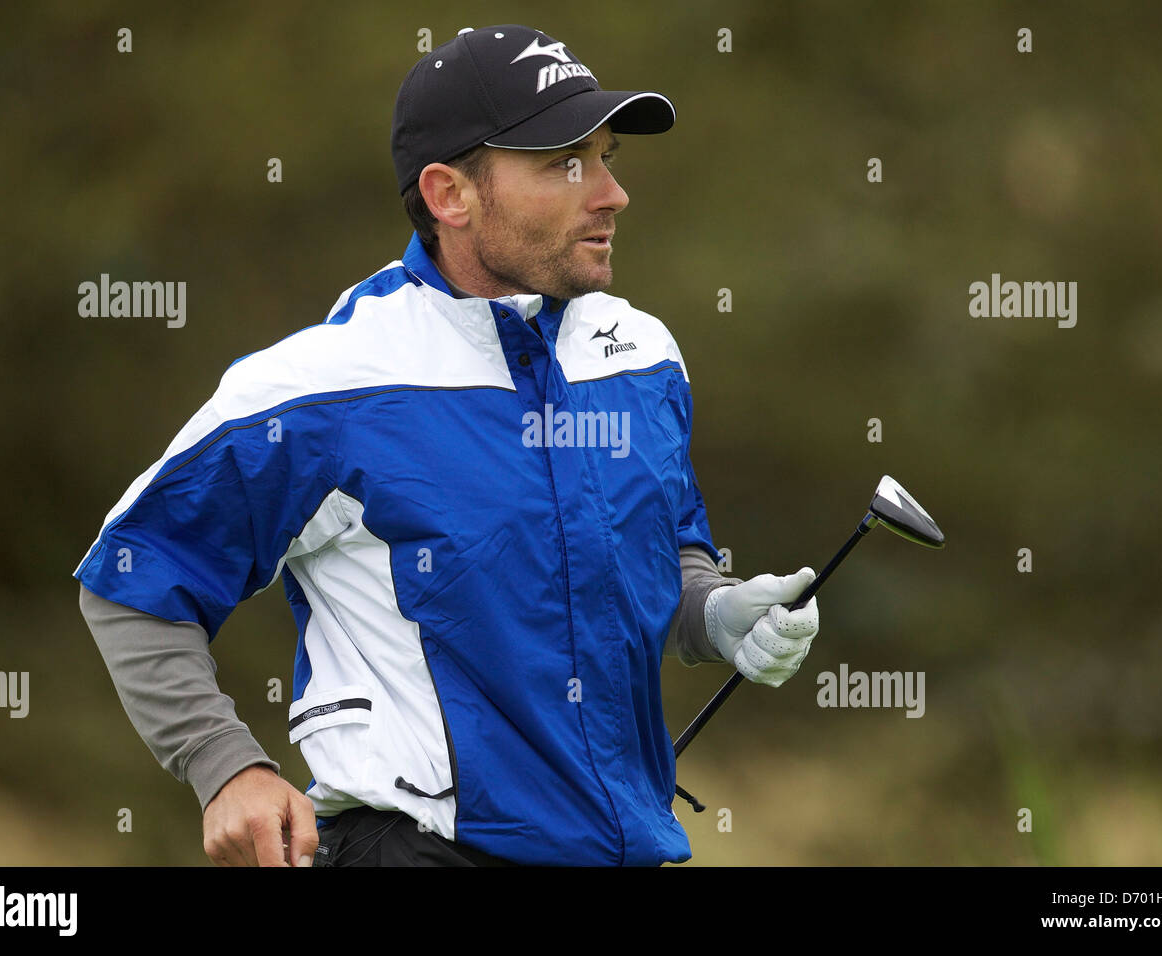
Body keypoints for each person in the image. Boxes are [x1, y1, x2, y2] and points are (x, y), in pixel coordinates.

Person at [74, 24, 821, 867]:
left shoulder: (644, 356)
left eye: (608, 158)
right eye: (565, 164)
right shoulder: (321, 387)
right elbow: (133, 580)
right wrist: (225, 766)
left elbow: (666, 563)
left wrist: (719, 614)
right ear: (448, 194)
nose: (611, 193)